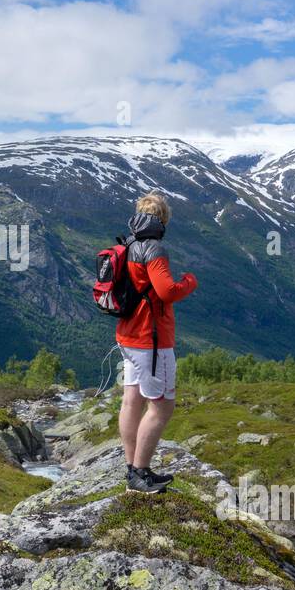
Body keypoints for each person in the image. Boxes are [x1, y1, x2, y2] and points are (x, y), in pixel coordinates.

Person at [116, 192, 197, 493]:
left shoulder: (128, 245)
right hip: (151, 340)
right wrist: (189, 281)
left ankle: (131, 469)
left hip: (128, 335)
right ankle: (140, 474)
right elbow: (166, 292)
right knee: (162, 407)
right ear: (163, 219)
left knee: (132, 401)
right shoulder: (154, 248)